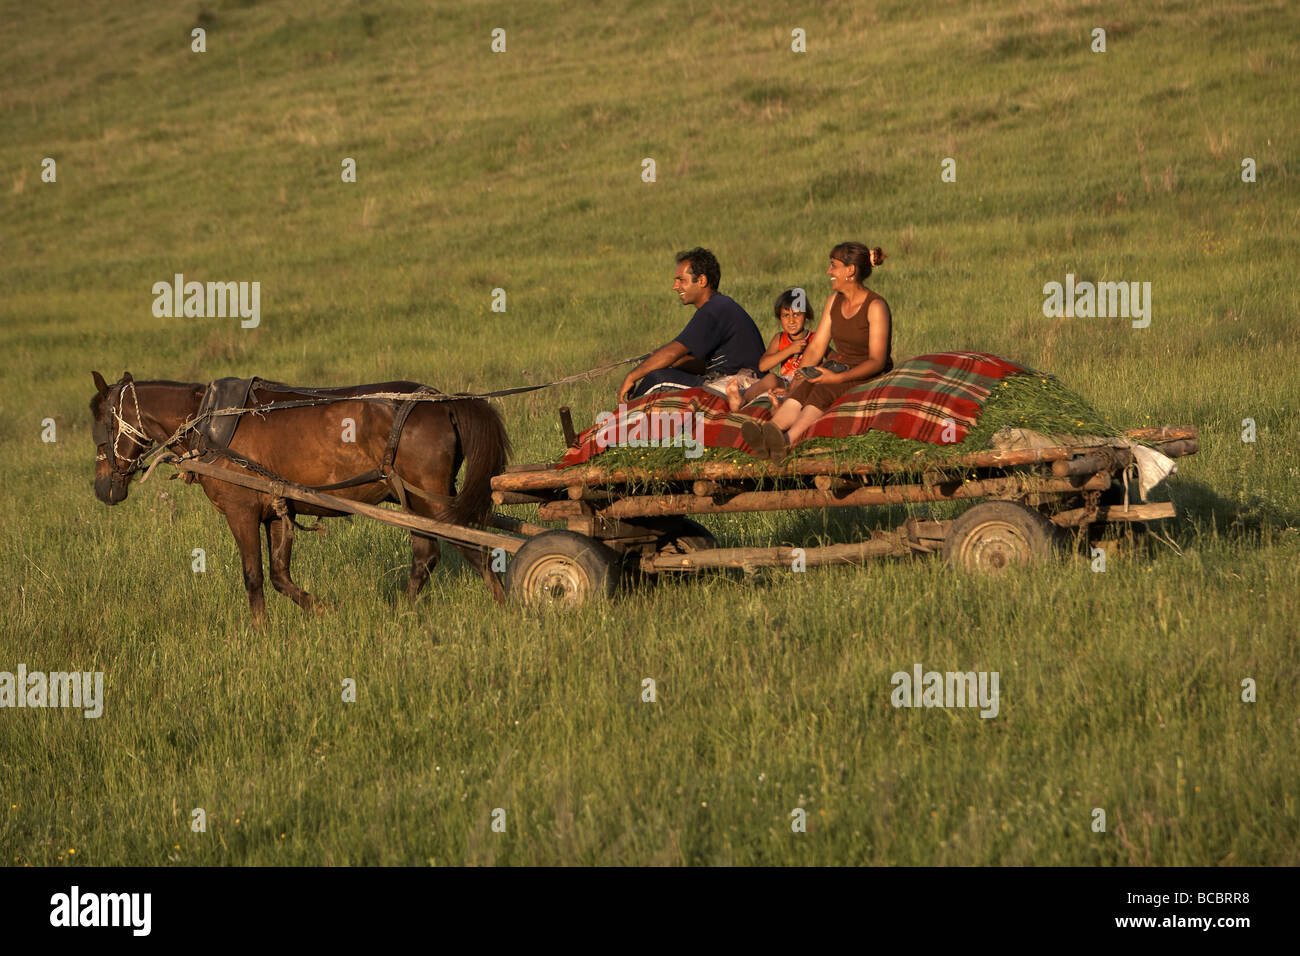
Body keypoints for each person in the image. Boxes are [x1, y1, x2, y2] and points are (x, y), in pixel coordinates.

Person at [742, 242, 893, 458]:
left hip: (867, 373)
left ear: (850, 270)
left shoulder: (876, 306)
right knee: (807, 384)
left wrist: (839, 379)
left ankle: (788, 440)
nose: (828, 271)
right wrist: (800, 375)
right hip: (840, 367)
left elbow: (877, 361)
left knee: (824, 389)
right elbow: (815, 348)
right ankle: (770, 432)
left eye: (833, 266)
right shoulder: (834, 301)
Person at [618, 248, 764, 402]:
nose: (675, 286)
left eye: (681, 280)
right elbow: (701, 365)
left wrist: (631, 376)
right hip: (733, 379)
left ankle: (625, 416)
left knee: (658, 379)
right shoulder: (721, 305)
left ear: (701, 280)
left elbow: (673, 351)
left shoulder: (713, 309)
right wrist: (668, 360)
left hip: (740, 384)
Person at [725, 288, 813, 412]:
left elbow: (833, 357)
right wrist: (789, 350)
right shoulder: (780, 338)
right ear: (780, 319)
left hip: (805, 382)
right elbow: (763, 366)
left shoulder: (815, 339)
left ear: (807, 316)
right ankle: (742, 399)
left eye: (797, 314)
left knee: (803, 382)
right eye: (786, 315)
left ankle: (780, 406)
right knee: (771, 378)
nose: (791, 320)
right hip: (786, 381)